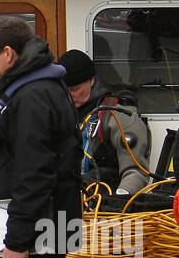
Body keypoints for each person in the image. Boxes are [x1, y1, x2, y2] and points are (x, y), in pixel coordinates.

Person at [0, 18, 82, 258]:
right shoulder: (47, 84)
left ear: (8, 53)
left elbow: (34, 174)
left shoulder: (30, 97)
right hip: (49, 222)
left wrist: (17, 240)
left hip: (34, 235)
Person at [58, 49, 151, 201]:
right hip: (67, 203)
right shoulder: (58, 116)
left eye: (75, 89)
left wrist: (117, 204)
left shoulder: (118, 118)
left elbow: (135, 173)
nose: (70, 95)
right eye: (65, 90)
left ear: (91, 80)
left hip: (105, 206)